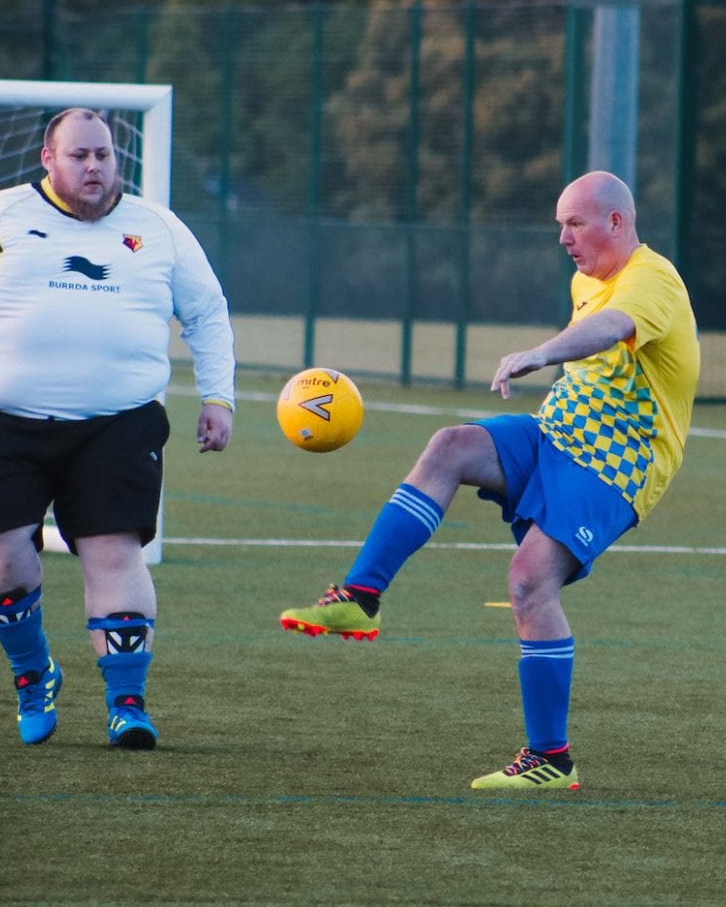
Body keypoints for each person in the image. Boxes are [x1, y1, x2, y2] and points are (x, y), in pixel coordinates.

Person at [279, 171, 699, 791]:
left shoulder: (651, 279)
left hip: (615, 466)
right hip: (554, 435)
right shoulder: (587, 276)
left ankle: (551, 759)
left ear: (616, 222)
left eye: (574, 223)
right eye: (559, 223)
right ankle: (360, 599)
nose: (562, 237)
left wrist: (541, 353)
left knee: (529, 584)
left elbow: (609, 330)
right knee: (449, 446)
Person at [0, 107, 236, 750]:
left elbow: (208, 312)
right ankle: (34, 677)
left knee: (115, 555)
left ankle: (127, 703)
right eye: (79, 155)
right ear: (47, 160)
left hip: (117, 425)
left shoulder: (158, 228)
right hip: (0, 424)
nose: (94, 167)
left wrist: (218, 398)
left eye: (104, 156)